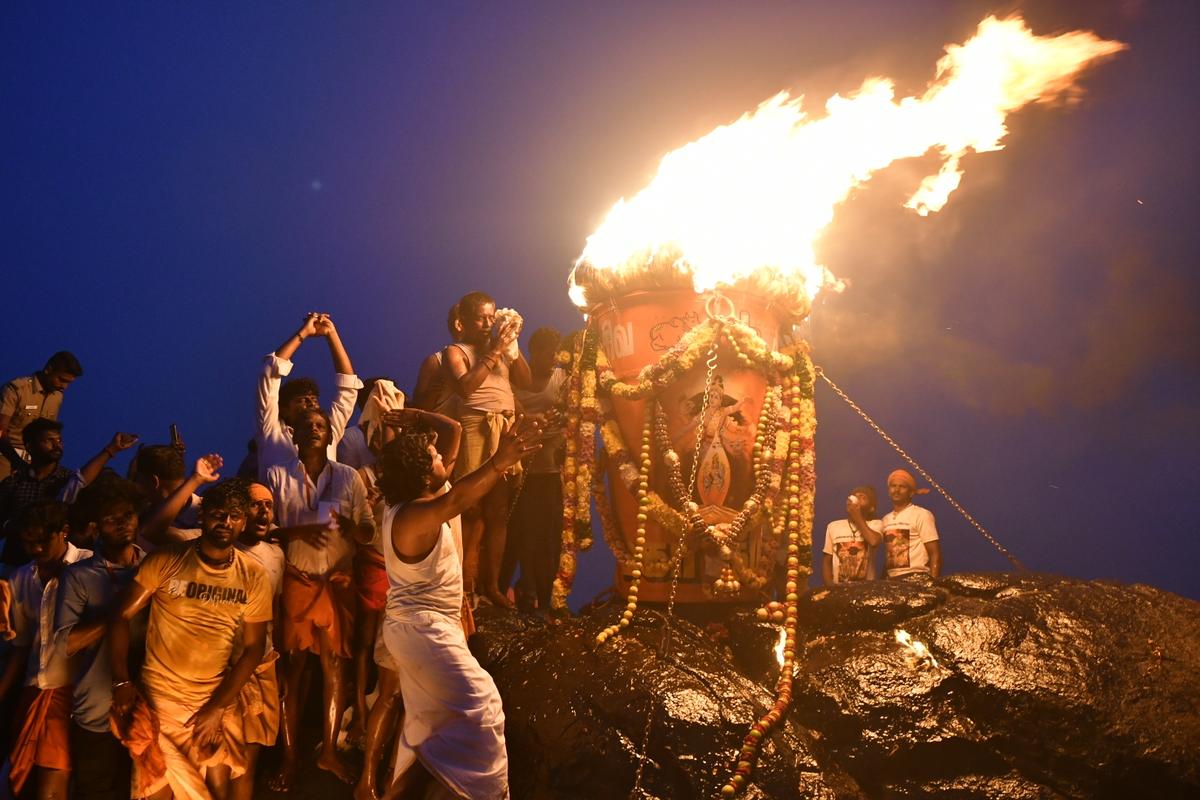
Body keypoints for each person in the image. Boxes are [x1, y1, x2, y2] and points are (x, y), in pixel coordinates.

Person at [376, 407, 540, 799]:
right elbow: (460, 499)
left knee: (427, 731)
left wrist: (414, 417)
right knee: (484, 705)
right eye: (435, 459)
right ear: (422, 474)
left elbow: (452, 432)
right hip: (423, 630)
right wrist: (499, 461)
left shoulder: (425, 496)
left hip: (425, 630)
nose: (443, 460)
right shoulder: (412, 515)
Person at [109, 479, 272, 800]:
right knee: (156, 791)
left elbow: (253, 649)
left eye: (235, 516)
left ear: (243, 522)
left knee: (214, 792)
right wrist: (121, 681)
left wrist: (216, 708)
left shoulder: (253, 576)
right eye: (218, 514)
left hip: (212, 704)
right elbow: (119, 616)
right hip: (161, 704)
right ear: (203, 516)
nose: (226, 522)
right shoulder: (166, 560)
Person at [267, 408, 374, 789]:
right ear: (294, 436)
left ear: (330, 436)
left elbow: (368, 531)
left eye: (320, 426)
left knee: (335, 664)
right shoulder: (277, 476)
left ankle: (328, 752)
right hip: (297, 579)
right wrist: (299, 532)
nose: (314, 430)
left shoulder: (348, 477)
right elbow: (264, 529)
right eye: (307, 426)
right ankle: (289, 758)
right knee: (292, 668)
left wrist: (350, 527)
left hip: (338, 581)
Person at [54, 473, 167, 800]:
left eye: (128, 514)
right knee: (98, 791)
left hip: (152, 703)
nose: (122, 523)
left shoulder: (156, 567)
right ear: (95, 527)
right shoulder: (79, 576)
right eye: (111, 518)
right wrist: (121, 612)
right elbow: (66, 643)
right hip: (98, 708)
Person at [443, 292, 531, 608]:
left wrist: (513, 347)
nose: (487, 324)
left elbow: (526, 381)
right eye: (481, 318)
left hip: (503, 428)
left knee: (497, 511)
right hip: (474, 428)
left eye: (491, 318)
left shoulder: (501, 350)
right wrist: (495, 350)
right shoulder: (455, 352)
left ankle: (492, 586)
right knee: (471, 508)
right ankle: (463, 584)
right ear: (463, 321)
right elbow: (466, 387)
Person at [0, 500, 91, 797]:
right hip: (34, 689)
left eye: (42, 541)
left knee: (54, 776)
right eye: (29, 543)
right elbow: (22, 646)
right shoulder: (21, 578)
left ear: (63, 531)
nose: (36, 549)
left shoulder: (89, 565)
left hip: (71, 691)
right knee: (20, 778)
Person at [0, 420, 137, 553]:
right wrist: (14, 527)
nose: (57, 445)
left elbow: (81, 481)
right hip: (16, 560)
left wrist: (111, 450)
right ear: (30, 446)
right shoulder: (13, 483)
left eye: (59, 440)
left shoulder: (66, 480)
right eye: (49, 441)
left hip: (57, 561)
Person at [257, 312, 363, 481]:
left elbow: (348, 390)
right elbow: (269, 373)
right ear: (283, 410)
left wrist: (331, 334)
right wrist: (304, 332)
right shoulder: (271, 432)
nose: (311, 404)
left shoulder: (327, 431)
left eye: (314, 400)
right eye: (301, 401)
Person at [503, 327, 566, 611]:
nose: (553, 360)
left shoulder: (562, 379)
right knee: (522, 535)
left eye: (557, 354)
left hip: (552, 471)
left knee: (550, 537)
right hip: (520, 470)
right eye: (548, 354)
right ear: (533, 352)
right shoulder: (514, 380)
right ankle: (526, 590)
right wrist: (529, 419)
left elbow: (576, 411)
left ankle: (547, 598)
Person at [229, 480, 284, 800]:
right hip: (223, 669)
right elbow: (154, 532)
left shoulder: (276, 555)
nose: (264, 512)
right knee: (218, 761)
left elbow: (275, 613)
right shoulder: (221, 550)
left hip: (262, 665)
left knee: (248, 760)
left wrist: (281, 665)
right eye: (255, 504)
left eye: (269, 505)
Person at [0, 351, 84, 481]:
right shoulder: (16, 390)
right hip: (5, 458)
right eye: (62, 380)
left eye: (69, 383)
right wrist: (17, 461)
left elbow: (49, 433)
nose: (64, 387)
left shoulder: (57, 397)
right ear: (48, 369)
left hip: (34, 463)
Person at [881, 469, 942, 579]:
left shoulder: (921, 514)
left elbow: (935, 554)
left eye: (902, 487)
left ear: (911, 492)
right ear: (889, 491)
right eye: (893, 486)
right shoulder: (885, 519)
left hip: (916, 577)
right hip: (892, 580)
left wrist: (933, 584)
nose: (897, 490)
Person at [821, 486, 883, 585]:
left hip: (866, 589)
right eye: (855, 496)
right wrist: (831, 587)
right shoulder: (833, 526)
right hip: (839, 589)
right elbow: (827, 561)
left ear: (871, 508)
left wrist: (857, 515)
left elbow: (873, 541)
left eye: (862, 497)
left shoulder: (875, 524)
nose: (857, 498)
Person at [411, 305, 462, 415]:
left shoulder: (489, 358)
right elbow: (417, 409)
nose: (488, 325)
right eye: (479, 318)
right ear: (458, 324)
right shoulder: (435, 362)